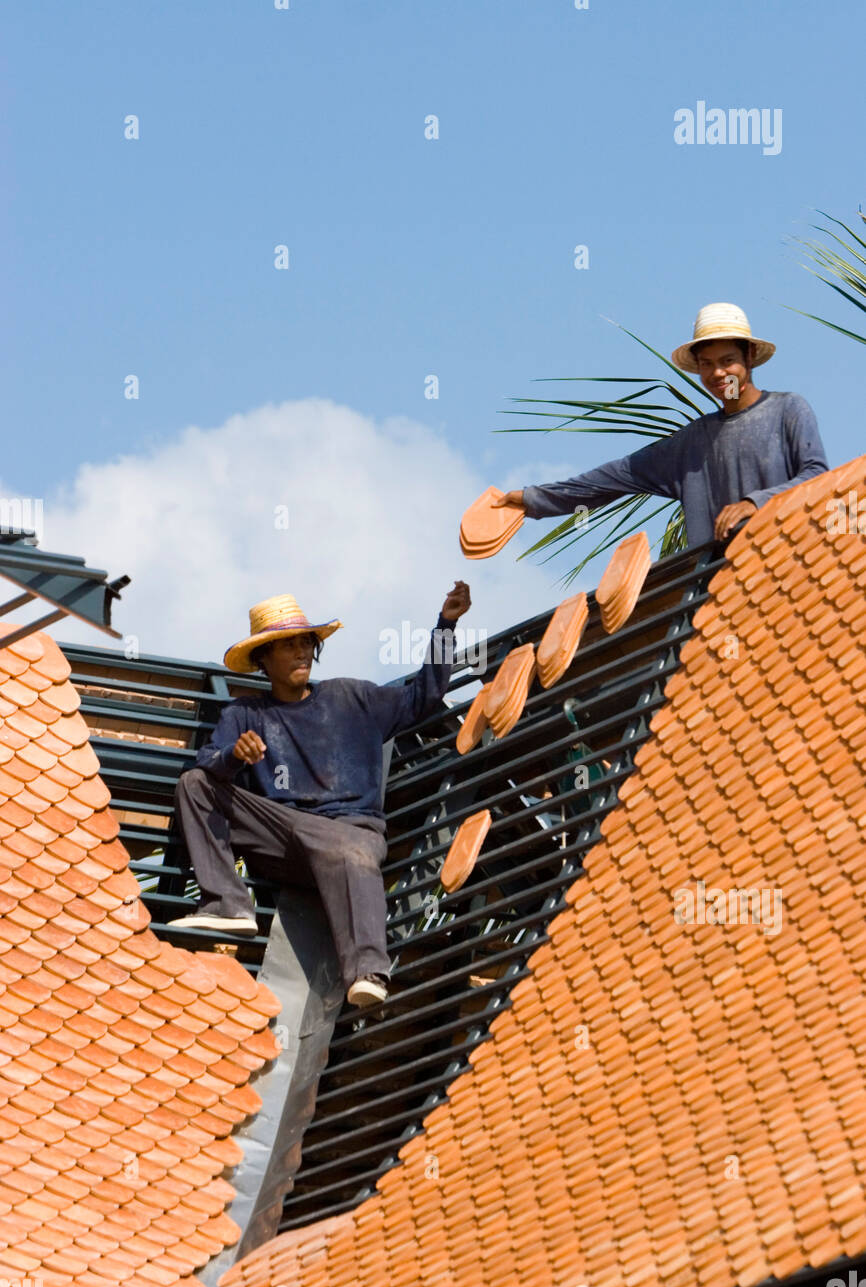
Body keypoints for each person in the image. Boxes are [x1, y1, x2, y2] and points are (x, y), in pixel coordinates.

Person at [169, 583, 471, 1008]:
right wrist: (234, 758)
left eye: (305, 643)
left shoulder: (353, 697)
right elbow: (206, 765)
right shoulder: (244, 714)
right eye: (287, 646)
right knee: (195, 783)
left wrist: (447, 625)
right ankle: (226, 903)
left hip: (349, 834)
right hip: (282, 840)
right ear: (263, 659)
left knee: (350, 850)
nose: (300, 653)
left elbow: (423, 698)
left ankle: (368, 971)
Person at [494, 303, 829, 545]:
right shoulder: (690, 444)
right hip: (717, 594)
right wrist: (530, 499)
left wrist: (754, 503)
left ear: (749, 359)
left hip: (787, 573)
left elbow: (817, 478)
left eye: (728, 361)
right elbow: (609, 479)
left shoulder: (789, 409)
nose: (718, 373)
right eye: (707, 364)